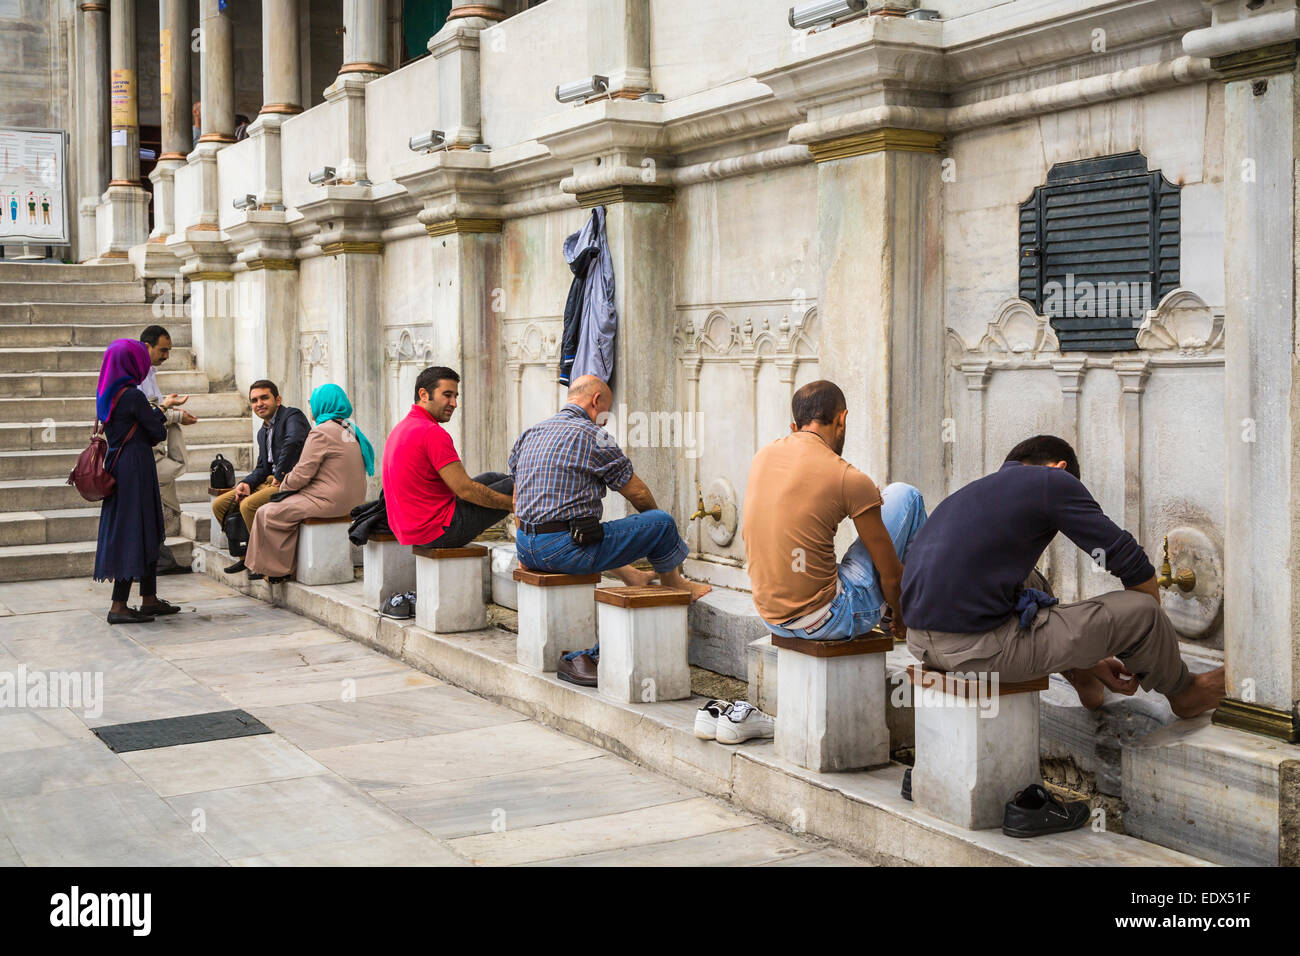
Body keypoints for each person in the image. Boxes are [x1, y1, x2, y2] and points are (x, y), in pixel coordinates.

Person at [900, 434, 1226, 719]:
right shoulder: (1052, 480)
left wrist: (1093, 657)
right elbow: (1130, 561)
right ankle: (1184, 692)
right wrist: (1150, 644)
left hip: (921, 643)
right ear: (1060, 468)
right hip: (974, 649)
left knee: (1032, 581)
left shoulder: (974, 490)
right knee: (1144, 614)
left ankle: (1081, 668)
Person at [509, 375, 710, 685]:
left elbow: (518, 496)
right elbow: (637, 493)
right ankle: (676, 583)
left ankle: (633, 575)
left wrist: (528, 547)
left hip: (527, 545)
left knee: (590, 529)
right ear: (596, 402)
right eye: (607, 410)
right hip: (562, 550)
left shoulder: (532, 432)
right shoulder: (592, 436)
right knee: (660, 523)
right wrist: (657, 530)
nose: (606, 419)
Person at [743, 380, 927, 645]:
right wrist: (902, 616)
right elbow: (892, 576)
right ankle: (915, 618)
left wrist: (861, 499)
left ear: (794, 427)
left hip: (773, 618)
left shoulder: (763, 456)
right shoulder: (847, 477)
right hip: (829, 619)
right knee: (907, 496)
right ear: (842, 419)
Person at [92, 339, 185, 624]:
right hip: (136, 468)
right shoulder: (131, 395)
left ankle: (149, 599)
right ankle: (119, 605)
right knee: (135, 530)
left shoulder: (107, 393)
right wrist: (160, 411)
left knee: (142, 528)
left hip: (122, 466)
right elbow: (156, 432)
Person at [243, 384, 372, 583]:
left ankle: (276, 570)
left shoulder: (322, 432)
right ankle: (276, 565)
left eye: (313, 403)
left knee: (267, 511)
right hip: (353, 497)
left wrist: (283, 485)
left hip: (330, 499)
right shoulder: (348, 428)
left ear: (324, 404)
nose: (310, 408)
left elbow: (303, 472)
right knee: (279, 508)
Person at [383, 366, 515, 549]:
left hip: (410, 529)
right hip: (437, 531)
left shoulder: (403, 427)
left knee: (495, 479)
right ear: (423, 394)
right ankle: (549, 546)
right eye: (447, 395)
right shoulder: (431, 433)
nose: (454, 403)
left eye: (455, 396)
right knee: (520, 488)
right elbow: (465, 490)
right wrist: (512, 504)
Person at [213, 380, 310, 574]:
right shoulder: (262, 432)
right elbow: (262, 467)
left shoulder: (292, 416)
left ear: (278, 399)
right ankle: (245, 556)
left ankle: (266, 563)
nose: (259, 404)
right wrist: (246, 484)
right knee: (220, 504)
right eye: (254, 400)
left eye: (264, 397)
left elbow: (293, 442)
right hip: (269, 481)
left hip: (291, 481)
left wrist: (280, 474)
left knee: (248, 505)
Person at [139, 325, 196, 573]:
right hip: (140, 455)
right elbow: (145, 417)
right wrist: (172, 413)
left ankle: (159, 560)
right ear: (146, 346)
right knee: (147, 510)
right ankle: (149, 564)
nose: (166, 356)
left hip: (149, 450)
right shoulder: (133, 379)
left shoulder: (147, 373)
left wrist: (172, 412)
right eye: (163, 350)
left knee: (153, 508)